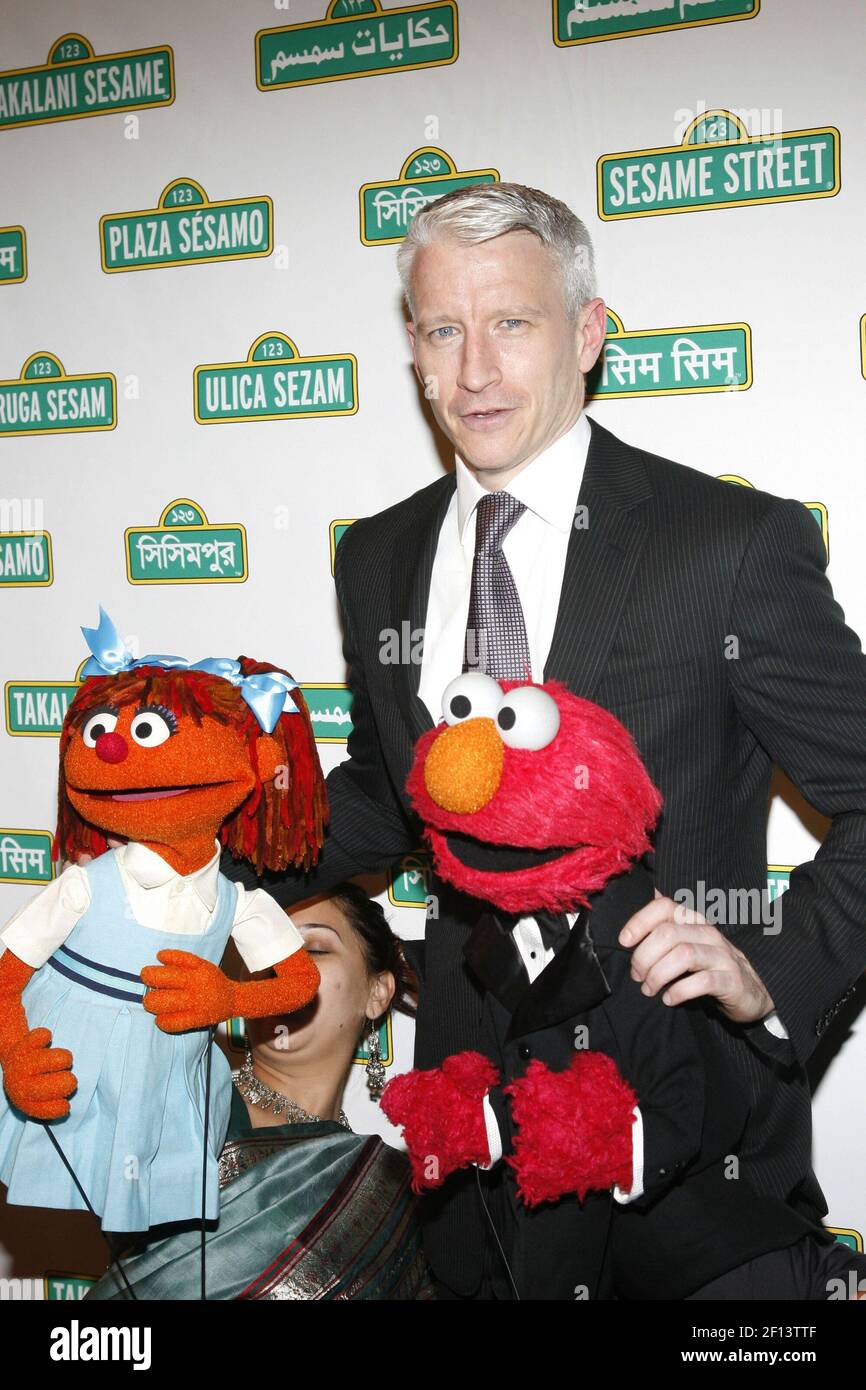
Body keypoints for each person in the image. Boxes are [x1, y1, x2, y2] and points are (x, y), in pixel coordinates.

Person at [221, 183, 866, 1299]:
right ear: (413, 348)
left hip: (684, 1161)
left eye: (510, 323)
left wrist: (771, 964)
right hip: (477, 1170)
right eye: (442, 330)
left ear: (588, 332)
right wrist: (193, 868)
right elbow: (389, 792)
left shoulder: (725, 544)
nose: (474, 370)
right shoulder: (376, 556)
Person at [85, 883, 435, 1300]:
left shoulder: (386, 1192)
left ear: (377, 993)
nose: (283, 969)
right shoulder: (181, 1103)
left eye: (314, 949)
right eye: (264, 950)